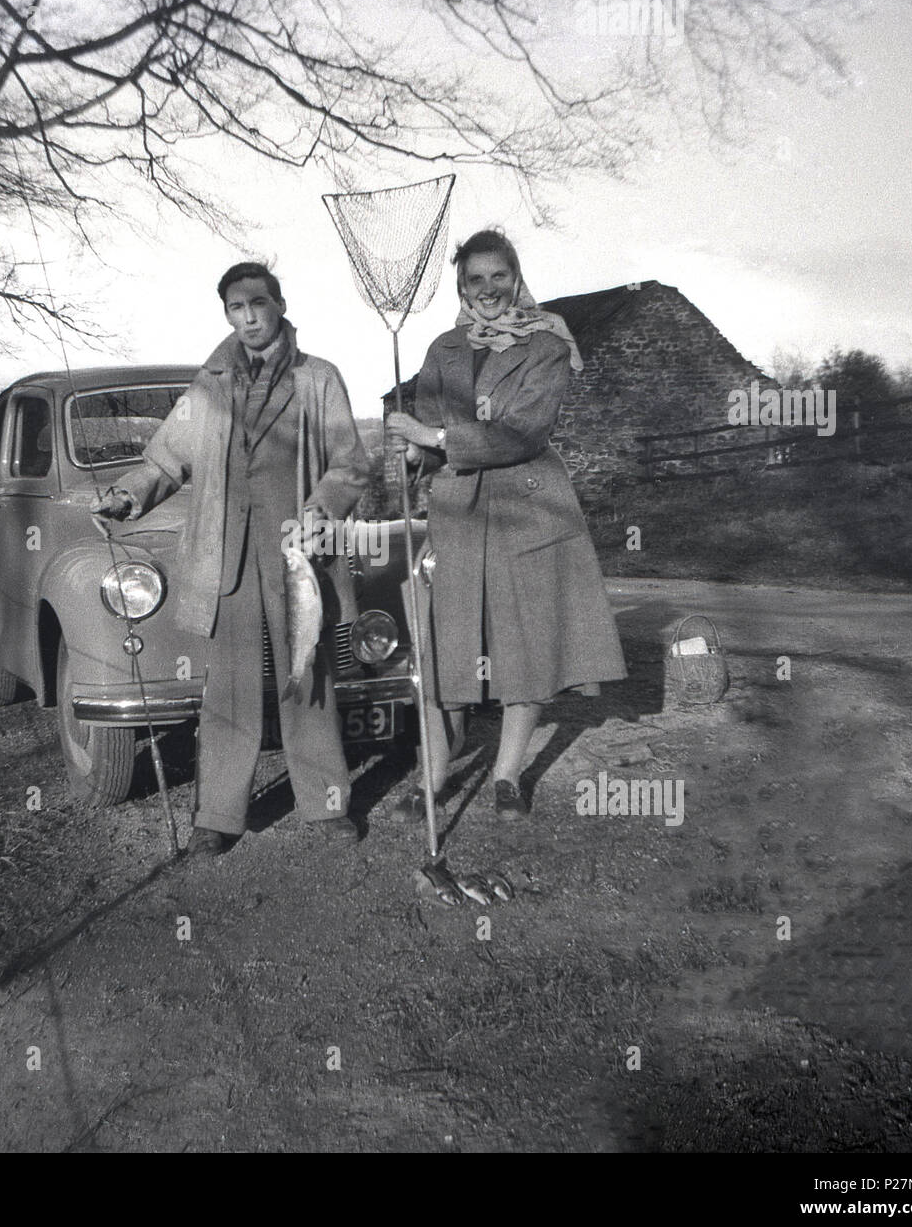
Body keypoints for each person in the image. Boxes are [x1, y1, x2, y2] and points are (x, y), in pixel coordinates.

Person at [92, 262, 371, 855]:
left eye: (258, 304)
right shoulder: (210, 386)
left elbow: (350, 465)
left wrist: (322, 507)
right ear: (226, 313)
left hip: (301, 557)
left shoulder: (318, 379)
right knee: (230, 689)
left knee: (309, 678)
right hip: (230, 558)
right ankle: (217, 816)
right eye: (235, 308)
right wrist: (126, 495)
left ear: (280, 304)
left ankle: (325, 806)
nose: (247, 317)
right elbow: (167, 460)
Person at [385, 229, 627, 819]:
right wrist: (416, 453)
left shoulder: (547, 344)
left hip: (531, 509)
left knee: (525, 645)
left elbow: (524, 432)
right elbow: (427, 424)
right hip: (457, 510)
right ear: (462, 287)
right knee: (446, 645)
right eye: (476, 279)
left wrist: (435, 438)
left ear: (516, 278)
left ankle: (507, 775)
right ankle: (435, 774)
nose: (489, 289)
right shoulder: (442, 348)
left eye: (499, 276)